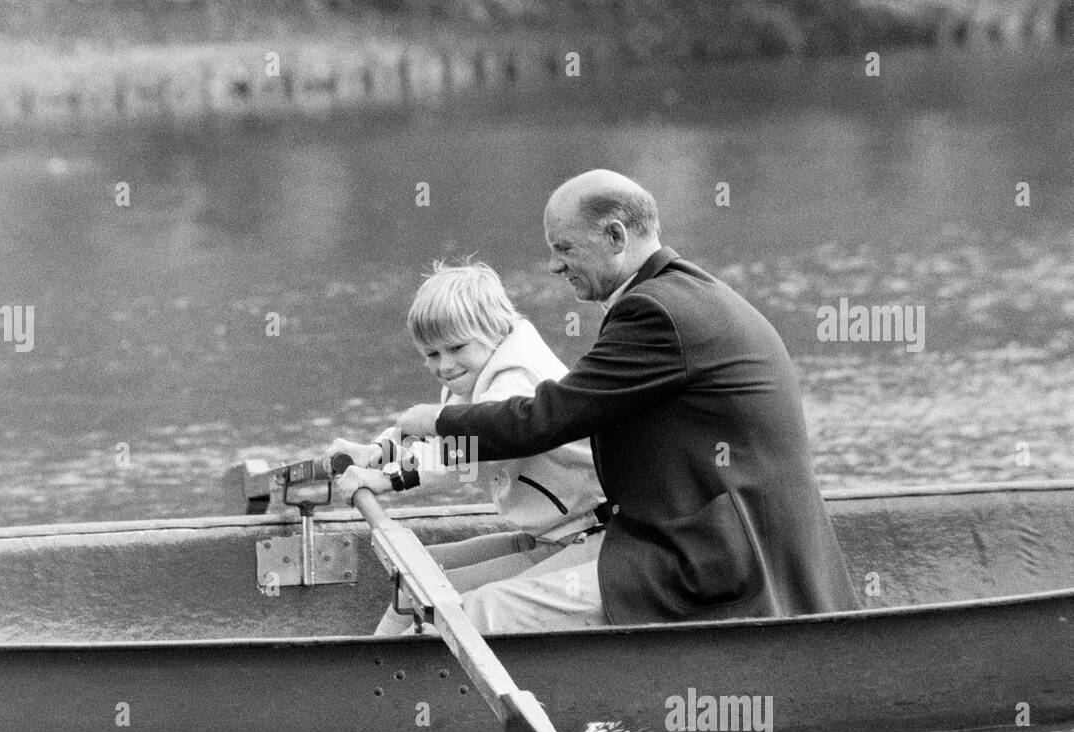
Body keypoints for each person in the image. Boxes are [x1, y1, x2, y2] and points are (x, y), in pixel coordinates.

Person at [396, 170, 858, 627]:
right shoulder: (676, 294)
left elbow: (545, 419)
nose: (554, 266)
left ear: (615, 236)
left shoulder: (654, 312)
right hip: (702, 541)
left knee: (474, 615)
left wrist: (436, 421)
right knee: (444, 597)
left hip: (711, 559)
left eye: (564, 248)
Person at [327, 261, 608, 635]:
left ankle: (388, 680)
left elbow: (466, 454)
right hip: (550, 532)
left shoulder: (516, 379)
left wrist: (385, 481)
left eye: (456, 347)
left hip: (589, 537)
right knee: (422, 574)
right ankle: (373, 671)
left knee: (450, 602)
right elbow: (431, 438)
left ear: (493, 330)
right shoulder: (472, 375)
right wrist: (376, 454)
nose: (444, 365)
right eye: (431, 354)